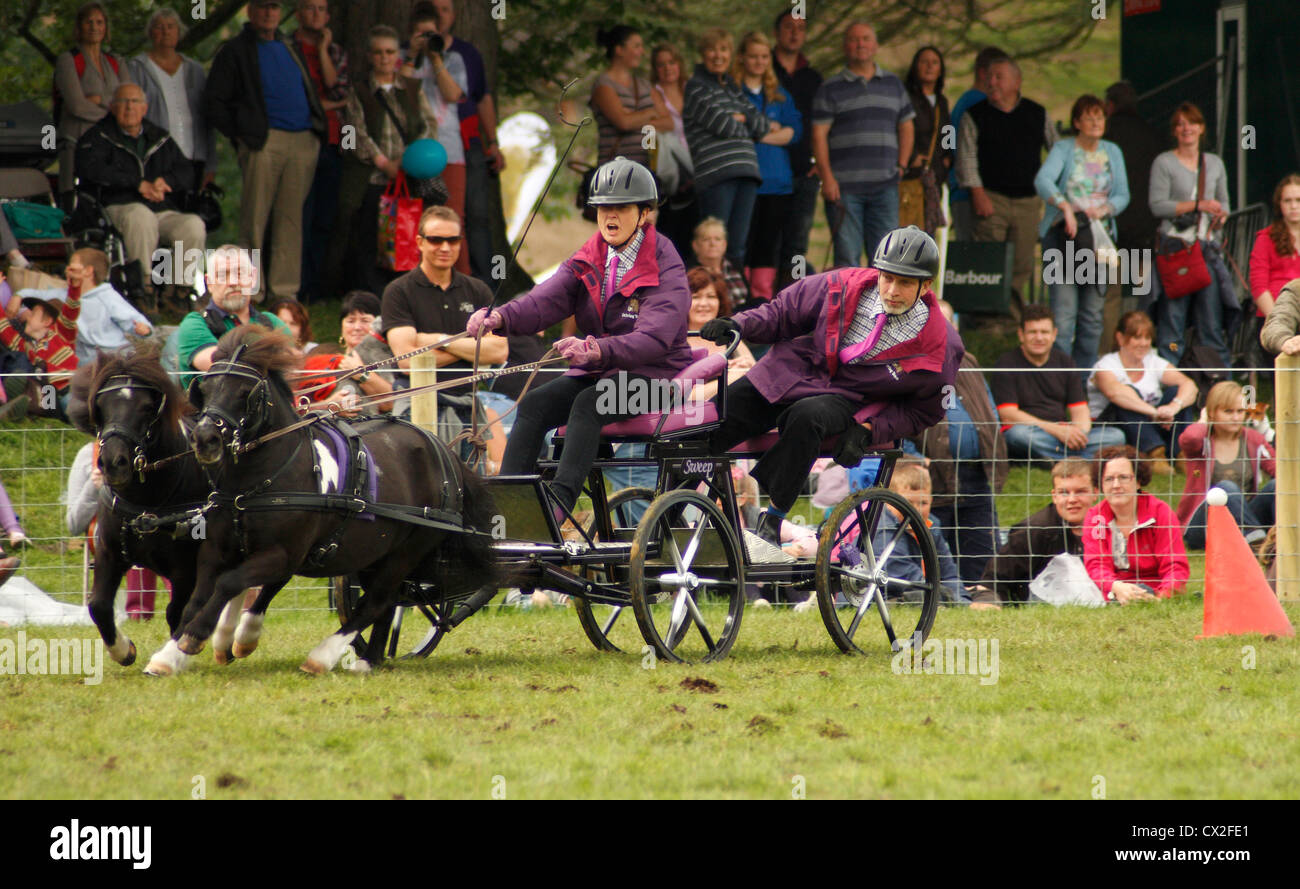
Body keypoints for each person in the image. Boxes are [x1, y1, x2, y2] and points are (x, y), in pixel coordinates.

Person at [701, 225, 962, 546]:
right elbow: (782, 313)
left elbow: (924, 411)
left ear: (926, 287)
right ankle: (677, 507)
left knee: (808, 416)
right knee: (713, 420)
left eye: (905, 282)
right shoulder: (842, 284)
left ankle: (770, 519)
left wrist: (870, 429)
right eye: (887, 277)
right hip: (790, 373)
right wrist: (738, 324)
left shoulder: (941, 345)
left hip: (846, 396)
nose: (892, 289)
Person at [468, 157, 691, 515]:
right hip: (600, 372)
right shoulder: (591, 254)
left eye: (619, 207)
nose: (609, 216)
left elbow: (654, 338)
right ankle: (510, 506)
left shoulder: (667, 263)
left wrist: (597, 350)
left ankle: (558, 506)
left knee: (589, 404)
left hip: (657, 379)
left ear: (644, 212)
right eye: (602, 207)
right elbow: (546, 298)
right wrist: (499, 317)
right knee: (535, 405)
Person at [203, 0, 324, 301]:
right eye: (262, 7)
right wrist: (242, 135)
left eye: (274, 7)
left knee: (290, 221)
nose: (269, 12)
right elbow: (213, 103)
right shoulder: (234, 50)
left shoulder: (289, 46)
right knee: (254, 220)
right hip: (262, 142)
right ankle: (251, 291)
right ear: (251, 11)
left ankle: (285, 294)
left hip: (302, 141)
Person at [381, 205, 506, 438]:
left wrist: (437, 341)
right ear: (420, 242)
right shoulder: (398, 291)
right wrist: (470, 348)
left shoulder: (477, 290)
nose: (445, 247)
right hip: (416, 405)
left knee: (470, 475)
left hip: (468, 409)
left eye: (453, 240)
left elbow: (499, 351)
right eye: (436, 240)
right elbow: (407, 361)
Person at [334, 25, 441, 296]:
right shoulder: (358, 90)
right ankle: (373, 295)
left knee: (409, 234)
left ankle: (409, 291)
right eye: (378, 52)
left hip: (411, 177)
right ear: (370, 55)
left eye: (390, 52)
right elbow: (354, 133)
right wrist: (384, 163)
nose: (384, 57)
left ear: (397, 55)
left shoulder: (412, 88)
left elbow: (429, 124)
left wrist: (411, 159)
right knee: (372, 238)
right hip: (374, 178)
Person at [907, 299, 1005, 585]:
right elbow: (892, 426)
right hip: (931, 479)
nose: (943, 329)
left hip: (977, 476)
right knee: (934, 560)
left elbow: (988, 407)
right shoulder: (909, 367)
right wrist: (915, 460)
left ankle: (980, 600)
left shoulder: (968, 361)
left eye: (948, 322)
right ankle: (941, 603)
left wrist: (991, 440)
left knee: (984, 563)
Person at [75, 83, 207, 290]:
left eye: (135, 102)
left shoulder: (159, 137)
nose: (129, 107)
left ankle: (181, 290)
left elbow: (187, 172)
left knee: (193, 225)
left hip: (160, 209)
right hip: (118, 207)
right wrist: (137, 184)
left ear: (144, 108)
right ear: (112, 107)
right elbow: (92, 170)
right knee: (141, 216)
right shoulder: (97, 137)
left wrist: (166, 182)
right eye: (123, 102)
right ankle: (143, 287)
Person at [1034, 94, 1130, 368]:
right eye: (1088, 118)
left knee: (1092, 316)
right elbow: (1043, 180)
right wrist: (1065, 207)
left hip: (1097, 239)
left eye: (1099, 117)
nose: (1095, 122)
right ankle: (1059, 379)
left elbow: (1123, 194)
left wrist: (1104, 210)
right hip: (1064, 237)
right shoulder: (1064, 149)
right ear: (1077, 122)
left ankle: (1083, 383)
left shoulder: (1112, 151)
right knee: (1064, 316)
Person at [812, 22, 914, 267]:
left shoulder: (893, 84)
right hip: (844, 189)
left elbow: (906, 126)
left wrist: (901, 166)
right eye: (854, 39)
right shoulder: (830, 88)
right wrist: (827, 178)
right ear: (845, 46)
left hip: (885, 187)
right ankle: (849, 306)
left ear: (876, 45)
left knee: (886, 260)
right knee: (847, 259)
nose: (861, 44)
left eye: (866, 38)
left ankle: (879, 307)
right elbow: (818, 135)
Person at [956, 57, 1056, 303]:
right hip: (991, 201)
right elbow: (966, 159)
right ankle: (987, 323)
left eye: (999, 76)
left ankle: (1013, 320)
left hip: (1028, 203)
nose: (992, 82)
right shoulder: (974, 115)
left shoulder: (1037, 113)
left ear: (1017, 81)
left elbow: (1058, 154)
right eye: (989, 77)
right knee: (988, 262)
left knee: (1021, 264)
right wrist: (978, 194)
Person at [1149, 102, 1236, 367]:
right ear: (1174, 131)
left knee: (1211, 324)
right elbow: (1157, 206)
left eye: (1192, 123)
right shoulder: (1164, 162)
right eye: (1180, 124)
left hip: (1206, 249)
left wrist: (1220, 216)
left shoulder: (1215, 163)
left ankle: (1221, 392)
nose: (1186, 128)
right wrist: (1197, 206)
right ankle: (1171, 390)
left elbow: (1225, 204)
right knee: (1173, 327)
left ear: (1201, 128)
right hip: (1176, 249)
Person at [426, 0, 506, 283]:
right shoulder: (411, 52)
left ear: (454, 15)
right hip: (427, 145)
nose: (439, 17)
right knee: (440, 213)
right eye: (433, 11)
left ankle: (483, 283)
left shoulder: (466, 54)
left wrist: (492, 142)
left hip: (468, 140)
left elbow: (482, 97)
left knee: (477, 214)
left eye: (445, 10)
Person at [683, 28, 774, 270]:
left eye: (723, 49)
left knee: (736, 248)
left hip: (747, 173)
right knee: (712, 244)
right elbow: (724, 125)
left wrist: (742, 118)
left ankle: (731, 301)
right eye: (712, 49)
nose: (718, 55)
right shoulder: (696, 87)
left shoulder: (732, 87)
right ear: (703, 53)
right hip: (717, 176)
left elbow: (763, 126)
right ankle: (707, 296)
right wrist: (744, 122)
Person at [991, 304, 1125, 462]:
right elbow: (1008, 415)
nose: (1039, 338)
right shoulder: (1006, 363)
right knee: (1017, 436)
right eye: (1033, 332)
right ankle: (1077, 459)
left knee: (1116, 436)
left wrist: (1079, 433)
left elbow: (1080, 409)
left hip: (1062, 434)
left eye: (1044, 332)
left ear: (1054, 334)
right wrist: (1057, 431)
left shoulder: (1065, 361)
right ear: (1021, 335)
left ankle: (1056, 457)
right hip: (1031, 432)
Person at [969, 458, 1096, 608]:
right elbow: (992, 582)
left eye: (1080, 491)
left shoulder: (1107, 525)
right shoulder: (1032, 532)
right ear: (1054, 496)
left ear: (1095, 493)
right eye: (1064, 493)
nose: (1072, 499)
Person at [1086, 309, 1197, 475]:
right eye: (1137, 337)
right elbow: (1114, 393)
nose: (1144, 343)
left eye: (1147, 338)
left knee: (1177, 391)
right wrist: (1154, 413)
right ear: (1120, 338)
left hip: (1153, 424)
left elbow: (1190, 385)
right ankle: (1154, 456)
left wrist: (1173, 407)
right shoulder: (1106, 365)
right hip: (1117, 428)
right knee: (1127, 394)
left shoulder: (1153, 361)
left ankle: (1181, 455)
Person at [291, 0, 350, 302]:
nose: (315, 14)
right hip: (298, 139)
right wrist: (327, 103)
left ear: (328, 15)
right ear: (298, 12)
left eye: (321, 9)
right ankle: (294, 286)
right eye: (309, 8)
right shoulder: (287, 47)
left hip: (331, 143)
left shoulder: (336, 51)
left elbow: (337, 89)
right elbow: (300, 101)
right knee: (297, 215)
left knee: (324, 219)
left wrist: (325, 49)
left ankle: (314, 287)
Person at [404, 1, 469, 274]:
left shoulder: (452, 60)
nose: (427, 39)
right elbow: (401, 93)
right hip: (413, 151)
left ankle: (461, 280)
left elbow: (454, 95)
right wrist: (412, 56)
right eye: (422, 34)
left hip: (449, 149)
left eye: (432, 34)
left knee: (453, 216)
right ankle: (417, 280)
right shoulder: (401, 58)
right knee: (414, 218)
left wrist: (435, 58)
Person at [734, 32, 799, 303]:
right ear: (742, 58)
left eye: (764, 56)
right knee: (741, 246)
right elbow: (733, 126)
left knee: (767, 248)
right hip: (743, 181)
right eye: (753, 56)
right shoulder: (733, 92)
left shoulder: (779, 95)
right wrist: (769, 129)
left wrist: (755, 131)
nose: (759, 61)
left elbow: (793, 133)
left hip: (777, 184)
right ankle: (737, 302)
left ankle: (760, 302)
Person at [1083, 444, 1189, 603]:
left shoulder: (1161, 512)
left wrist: (1162, 597)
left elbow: (1175, 566)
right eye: (1109, 479)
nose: (1116, 485)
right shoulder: (1095, 517)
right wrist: (1117, 587)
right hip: (1114, 592)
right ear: (1101, 485)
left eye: (1124, 478)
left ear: (1138, 481)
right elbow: (1096, 565)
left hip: (1155, 591)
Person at [1176, 381, 1274, 549]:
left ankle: (1281, 537)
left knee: (1276, 486)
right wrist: (1204, 420)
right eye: (1228, 411)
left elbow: (1278, 470)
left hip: (1243, 516)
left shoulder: (1253, 439)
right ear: (1213, 412)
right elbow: (1189, 439)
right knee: (1226, 488)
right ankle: (1257, 543)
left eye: (1240, 411)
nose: (1236, 417)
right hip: (1204, 523)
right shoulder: (1202, 440)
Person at [1102, 81, 1163, 349]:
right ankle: (1140, 347)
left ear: (1110, 106)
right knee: (1143, 292)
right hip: (1144, 228)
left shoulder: (1104, 137)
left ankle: (1108, 351)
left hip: (1109, 227)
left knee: (1109, 295)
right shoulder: (1153, 135)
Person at [175, 244, 290, 387]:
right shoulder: (194, 323)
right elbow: (222, 367)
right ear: (209, 283)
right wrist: (273, 356)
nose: (233, 282)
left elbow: (293, 365)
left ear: (253, 277)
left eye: (240, 273)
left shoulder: (272, 321)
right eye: (223, 275)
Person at [127, 8, 216, 190]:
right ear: (151, 33)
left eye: (170, 27)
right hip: (155, 157)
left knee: (191, 215)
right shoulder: (137, 68)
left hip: (193, 156)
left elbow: (208, 119)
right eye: (159, 27)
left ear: (179, 32)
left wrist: (211, 164)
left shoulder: (195, 70)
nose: (166, 32)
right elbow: (130, 113)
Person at [14, 248, 150, 363]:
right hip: (82, 357)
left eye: (72, 266)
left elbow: (132, 319)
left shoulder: (107, 297)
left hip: (113, 355)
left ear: (88, 271)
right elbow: (35, 294)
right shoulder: (63, 294)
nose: (67, 270)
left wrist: (143, 329)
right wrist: (18, 296)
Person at [771, 9, 823, 290]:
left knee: (796, 245)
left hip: (804, 171)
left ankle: (789, 304)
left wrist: (819, 163)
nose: (794, 33)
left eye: (800, 28)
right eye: (789, 27)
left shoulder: (813, 78)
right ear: (776, 32)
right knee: (768, 240)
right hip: (768, 173)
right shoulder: (762, 67)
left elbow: (822, 124)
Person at [54, 2, 130, 195]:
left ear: (106, 27)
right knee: (76, 204)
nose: (94, 27)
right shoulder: (68, 60)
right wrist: (113, 109)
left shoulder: (115, 61)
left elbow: (129, 101)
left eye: (99, 22)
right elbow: (77, 106)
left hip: (111, 146)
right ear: (79, 27)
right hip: (76, 143)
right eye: (89, 22)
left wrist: (99, 99)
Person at [873, 458, 967, 604]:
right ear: (888, 503)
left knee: (984, 593)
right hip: (885, 598)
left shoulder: (932, 526)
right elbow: (908, 578)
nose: (916, 510)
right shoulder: (882, 529)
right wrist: (950, 599)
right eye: (908, 503)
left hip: (924, 592)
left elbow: (949, 574)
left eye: (923, 503)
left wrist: (963, 602)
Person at [590, 26, 672, 170]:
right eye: (636, 46)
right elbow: (623, 123)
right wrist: (650, 113)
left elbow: (669, 122)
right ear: (619, 50)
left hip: (648, 170)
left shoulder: (644, 85)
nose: (642, 51)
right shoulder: (603, 85)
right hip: (615, 173)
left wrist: (633, 117)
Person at [0, 286, 80, 420]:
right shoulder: (23, 344)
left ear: (47, 321)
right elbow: (2, 324)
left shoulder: (60, 337)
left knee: (68, 403)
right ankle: (18, 408)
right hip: (45, 394)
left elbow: (70, 314)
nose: (27, 316)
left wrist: (75, 286)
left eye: (33, 313)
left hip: (69, 391)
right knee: (26, 369)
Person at [649, 42, 696, 254]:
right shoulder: (653, 93)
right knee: (671, 230)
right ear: (655, 69)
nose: (668, 68)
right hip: (672, 169)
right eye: (661, 64)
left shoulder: (691, 88)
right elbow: (659, 124)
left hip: (698, 162)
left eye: (672, 62)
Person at [901, 45, 951, 236]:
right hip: (910, 176)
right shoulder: (906, 98)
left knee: (927, 235)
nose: (929, 67)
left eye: (935, 63)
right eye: (924, 62)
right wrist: (910, 157)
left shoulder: (942, 101)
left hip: (933, 177)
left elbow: (948, 131)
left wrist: (947, 158)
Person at [684, 266, 754, 400]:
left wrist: (744, 368)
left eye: (711, 297)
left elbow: (755, 376)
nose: (704, 304)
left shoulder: (732, 339)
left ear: (720, 303)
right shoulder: (675, 343)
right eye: (696, 297)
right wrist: (732, 376)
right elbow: (683, 395)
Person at [330, 290, 395, 415]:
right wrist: (330, 406)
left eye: (365, 321)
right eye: (351, 321)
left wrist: (361, 372)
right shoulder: (324, 361)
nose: (357, 327)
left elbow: (391, 403)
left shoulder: (390, 361)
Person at [1249, 174, 1300, 321]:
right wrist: (1278, 322)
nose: (1294, 206)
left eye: (1298, 200)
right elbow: (1259, 288)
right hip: (1274, 318)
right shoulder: (1265, 238)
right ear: (1279, 204)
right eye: (1287, 201)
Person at [691, 216, 750, 309]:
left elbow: (748, 299)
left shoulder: (735, 266)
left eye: (717, 239)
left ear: (724, 244)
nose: (712, 244)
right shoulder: (691, 273)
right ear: (695, 245)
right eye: (706, 239)